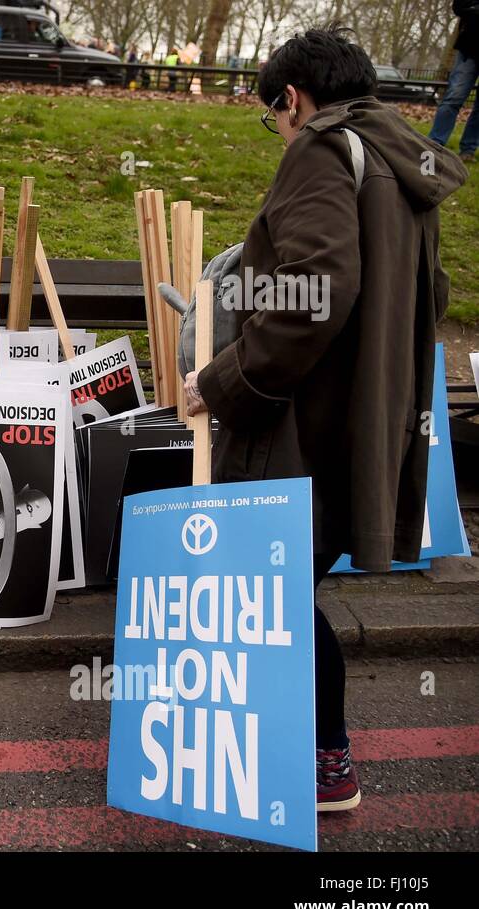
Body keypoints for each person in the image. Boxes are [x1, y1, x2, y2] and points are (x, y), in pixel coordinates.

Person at [182, 29, 466, 813]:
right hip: (370, 424)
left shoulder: (320, 150)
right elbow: (431, 296)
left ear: (293, 99)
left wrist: (226, 377)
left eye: (272, 116)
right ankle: (305, 752)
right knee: (276, 594)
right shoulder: (399, 156)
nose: (278, 131)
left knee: (263, 596)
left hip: (303, 427)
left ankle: (324, 759)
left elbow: (319, 289)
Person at [428, 0, 479, 160]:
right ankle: (435, 143)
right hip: (470, 46)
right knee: (453, 98)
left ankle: (468, 150)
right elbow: (459, 6)